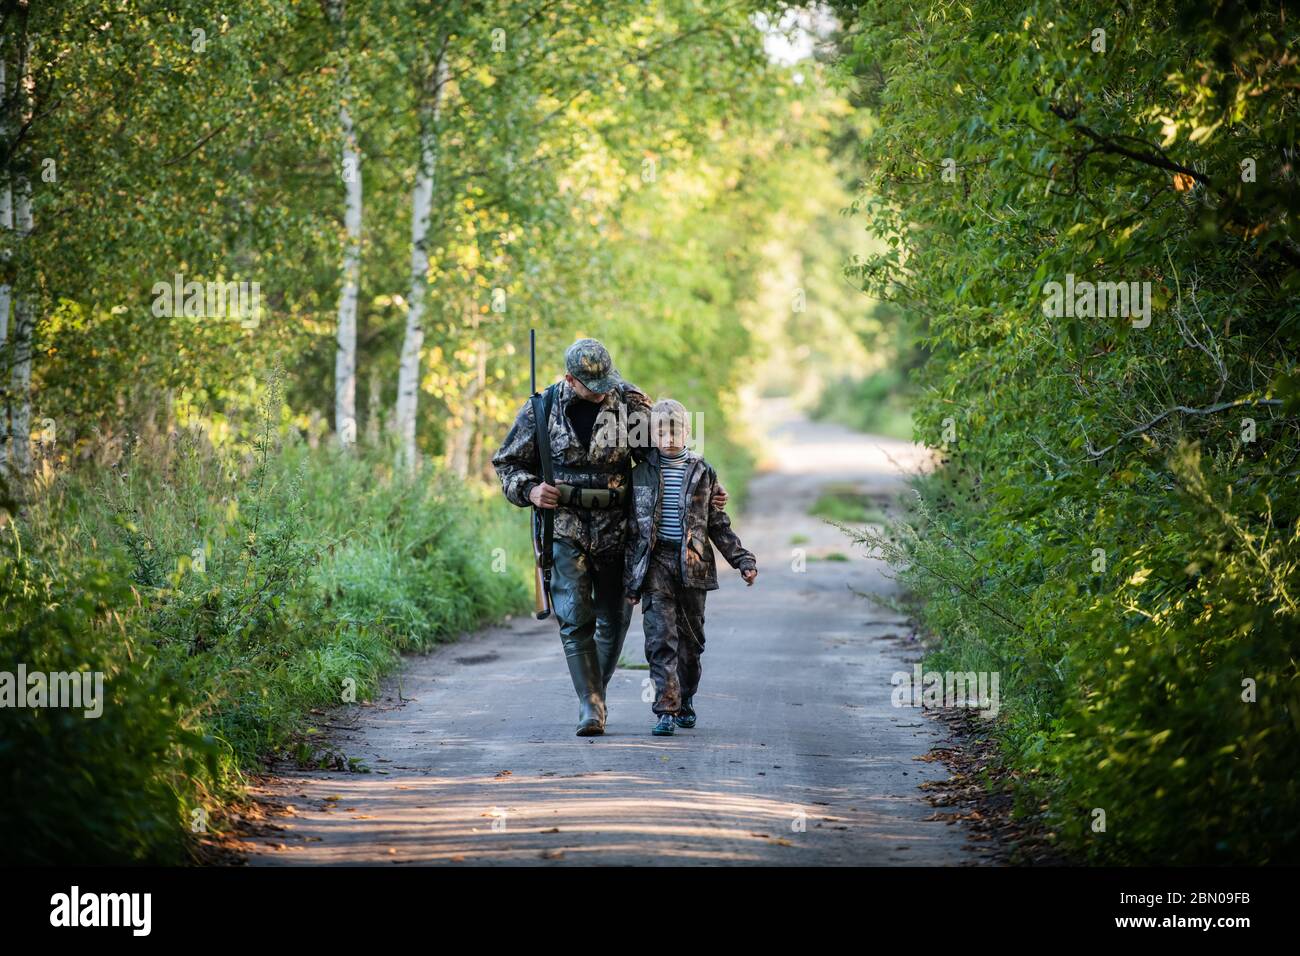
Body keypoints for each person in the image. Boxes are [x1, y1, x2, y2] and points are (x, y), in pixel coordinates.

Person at [492, 339, 727, 736]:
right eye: (590, 384)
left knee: (616, 619)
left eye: (605, 380)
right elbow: (507, 464)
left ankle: (592, 694)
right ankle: (591, 707)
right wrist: (530, 490)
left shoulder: (631, 406)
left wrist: (705, 490)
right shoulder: (541, 409)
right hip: (564, 526)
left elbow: (666, 457)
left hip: (620, 528)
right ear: (570, 379)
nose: (601, 390)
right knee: (574, 615)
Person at [624, 398, 757, 736]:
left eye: (676, 430)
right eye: (661, 431)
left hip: (693, 565)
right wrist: (630, 581)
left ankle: (686, 698)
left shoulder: (702, 472)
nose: (669, 437)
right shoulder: (640, 472)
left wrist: (742, 560)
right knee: (660, 639)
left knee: (690, 644)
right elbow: (629, 530)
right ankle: (665, 710)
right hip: (656, 564)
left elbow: (717, 523)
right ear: (652, 434)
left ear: (686, 432)